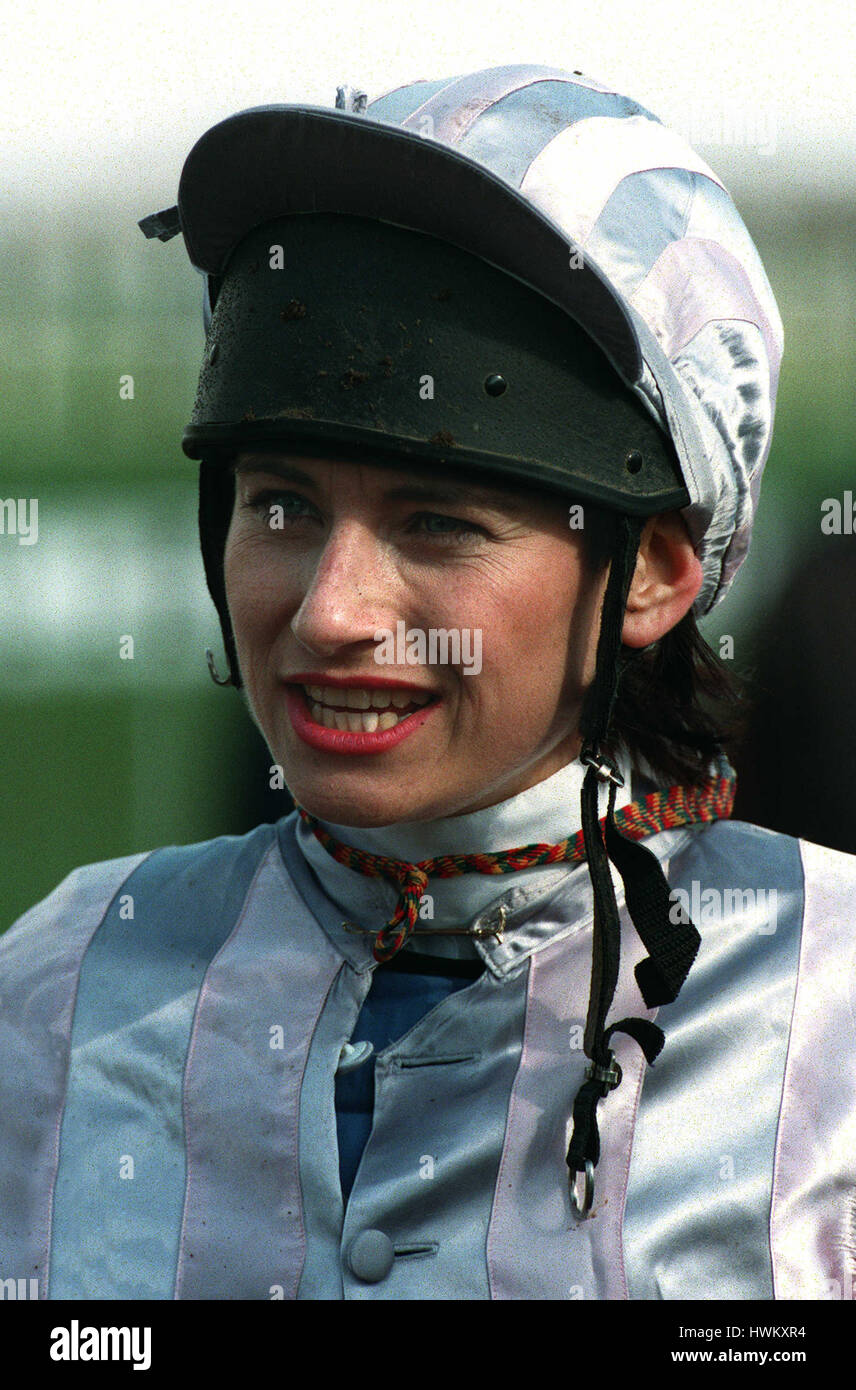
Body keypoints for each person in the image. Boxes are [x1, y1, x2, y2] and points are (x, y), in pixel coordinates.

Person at [2, 63, 855, 1303]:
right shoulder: (58, 990)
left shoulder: (831, 1017)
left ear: (656, 573)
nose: (330, 610)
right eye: (282, 504)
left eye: (439, 523)